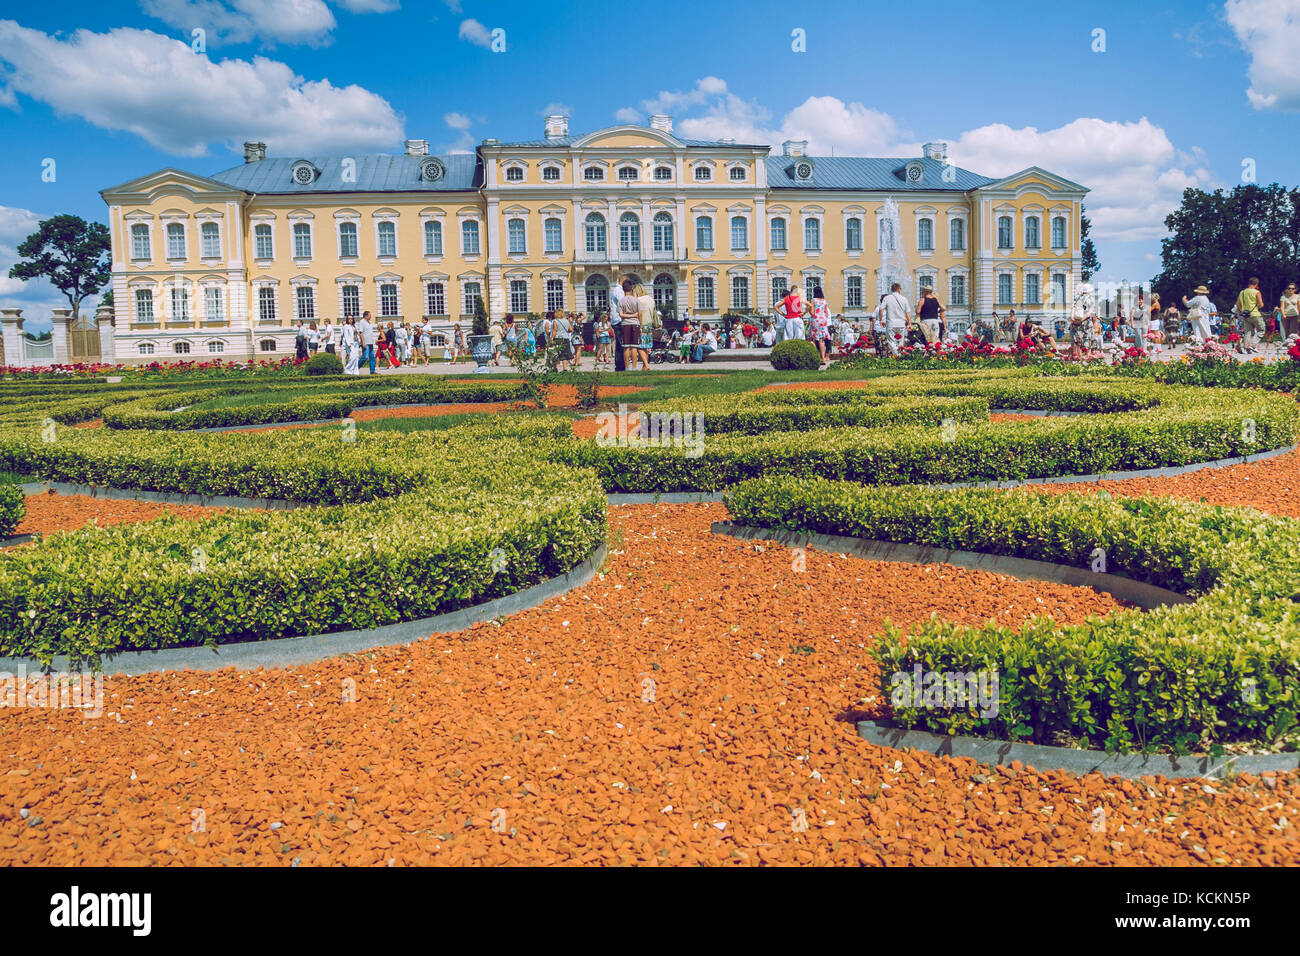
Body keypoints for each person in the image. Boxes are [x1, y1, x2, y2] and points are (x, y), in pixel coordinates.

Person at [880, 282, 912, 357]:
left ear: (892, 290)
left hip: (891, 323)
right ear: (899, 289)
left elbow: (881, 309)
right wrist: (909, 323)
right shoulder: (904, 299)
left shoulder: (887, 298)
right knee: (900, 342)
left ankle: (897, 355)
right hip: (901, 324)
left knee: (891, 342)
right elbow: (907, 313)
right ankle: (899, 355)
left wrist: (881, 320)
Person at [1235, 278, 1265, 352]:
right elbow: (1261, 304)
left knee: (1247, 331)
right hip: (1255, 314)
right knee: (1261, 330)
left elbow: (1238, 304)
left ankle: (1246, 347)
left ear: (1248, 283)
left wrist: (1243, 310)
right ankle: (1252, 344)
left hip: (1246, 315)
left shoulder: (1242, 292)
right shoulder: (1257, 292)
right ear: (1256, 284)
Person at [618, 279, 643, 370]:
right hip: (635, 323)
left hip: (625, 324)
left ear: (623, 289)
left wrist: (626, 316)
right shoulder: (636, 300)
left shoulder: (621, 301)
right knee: (634, 347)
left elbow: (620, 315)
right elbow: (639, 314)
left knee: (626, 347)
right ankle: (634, 367)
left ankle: (627, 367)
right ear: (631, 288)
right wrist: (635, 316)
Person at [634, 283, 654, 370]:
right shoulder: (650, 299)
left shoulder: (638, 300)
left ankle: (646, 364)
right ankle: (644, 366)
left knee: (639, 346)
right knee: (645, 346)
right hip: (649, 325)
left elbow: (639, 314)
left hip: (641, 324)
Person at [610, 276, 627, 372]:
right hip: (619, 319)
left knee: (619, 345)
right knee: (621, 344)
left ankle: (619, 365)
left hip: (617, 319)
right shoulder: (619, 290)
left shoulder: (616, 290)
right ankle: (621, 365)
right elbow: (623, 303)